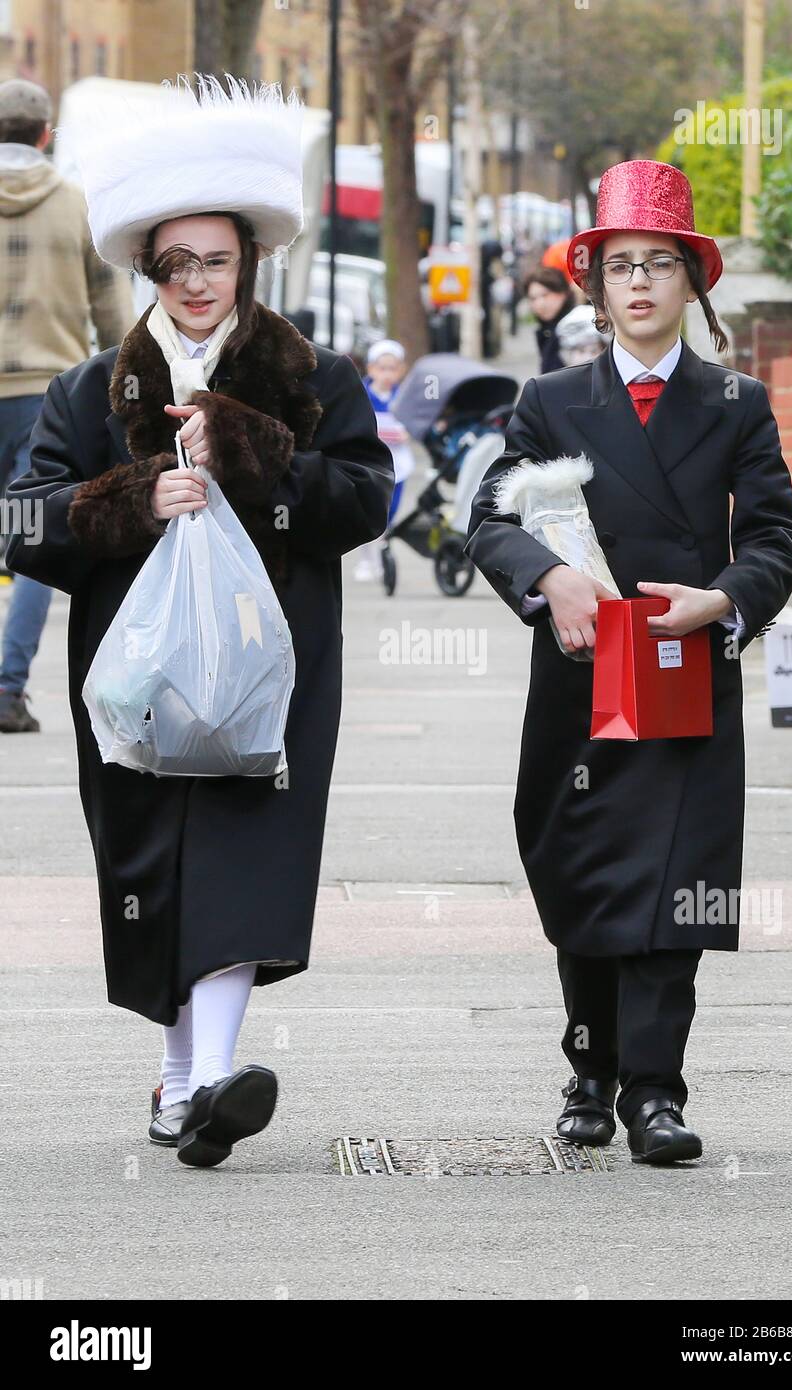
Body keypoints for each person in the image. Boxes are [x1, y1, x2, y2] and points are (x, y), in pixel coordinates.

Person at [5, 74, 394, 1168]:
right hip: (132, 679)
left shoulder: (310, 376)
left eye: (213, 260)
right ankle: (181, 1079)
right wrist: (134, 498)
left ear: (247, 262)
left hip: (274, 666)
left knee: (239, 858)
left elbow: (367, 500)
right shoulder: (90, 391)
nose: (194, 282)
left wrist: (254, 456)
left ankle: (212, 1077)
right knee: (151, 872)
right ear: (146, 269)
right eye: (173, 264)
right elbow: (23, 524)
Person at [464, 160, 792, 1165]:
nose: (641, 283)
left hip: (687, 670)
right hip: (579, 681)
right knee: (581, 877)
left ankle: (654, 1091)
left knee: (674, 888)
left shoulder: (734, 402)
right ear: (597, 284)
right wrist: (547, 579)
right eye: (621, 266)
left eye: (660, 264)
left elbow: (777, 535)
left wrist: (726, 600)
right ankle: (589, 1067)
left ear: (689, 282)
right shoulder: (547, 402)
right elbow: (489, 517)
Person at [0, 78, 134, 733]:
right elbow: (113, 315)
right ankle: (6, 686)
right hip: (45, 396)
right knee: (28, 533)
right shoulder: (78, 205)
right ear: (45, 134)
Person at [353, 338, 413, 581]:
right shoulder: (360, 395)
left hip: (399, 465)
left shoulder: (404, 398)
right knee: (368, 513)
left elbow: (412, 424)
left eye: (393, 368)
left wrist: (405, 433)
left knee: (390, 515)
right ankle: (367, 559)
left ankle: (381, 556)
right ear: (371, 369)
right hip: (369, 463)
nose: (387, 374)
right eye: (382, 368)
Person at [524, 265, 577, 374]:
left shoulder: (575, 326)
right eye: (533, 298)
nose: (539, 304)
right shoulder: (546, 330)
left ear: (563, 293)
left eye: (545, 295)